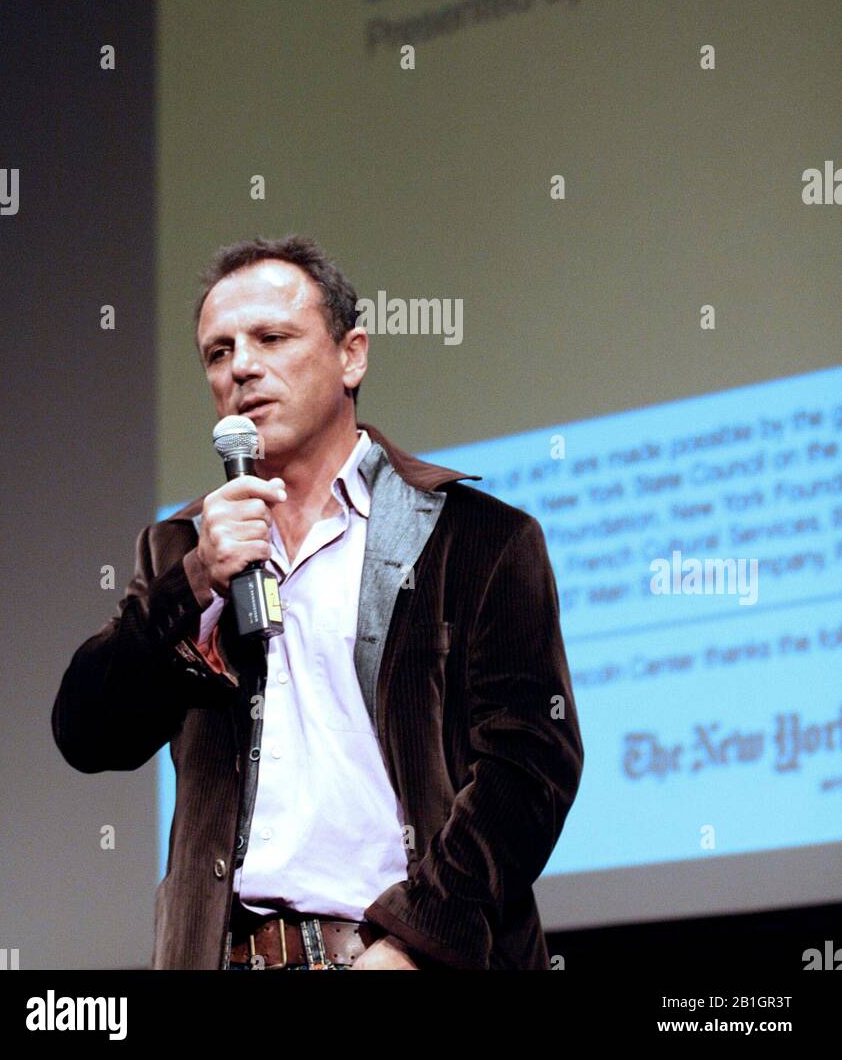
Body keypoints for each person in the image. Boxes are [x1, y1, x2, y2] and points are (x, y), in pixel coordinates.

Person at [51, 234, 584, 970]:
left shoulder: (477, 539)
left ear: (352, 355)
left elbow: (529, 766)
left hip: (399, 957)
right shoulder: (183, 551)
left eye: (272, 338)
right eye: (217, 352)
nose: (241, 366)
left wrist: (413, 940)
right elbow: (87, 731)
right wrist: (197, 580)